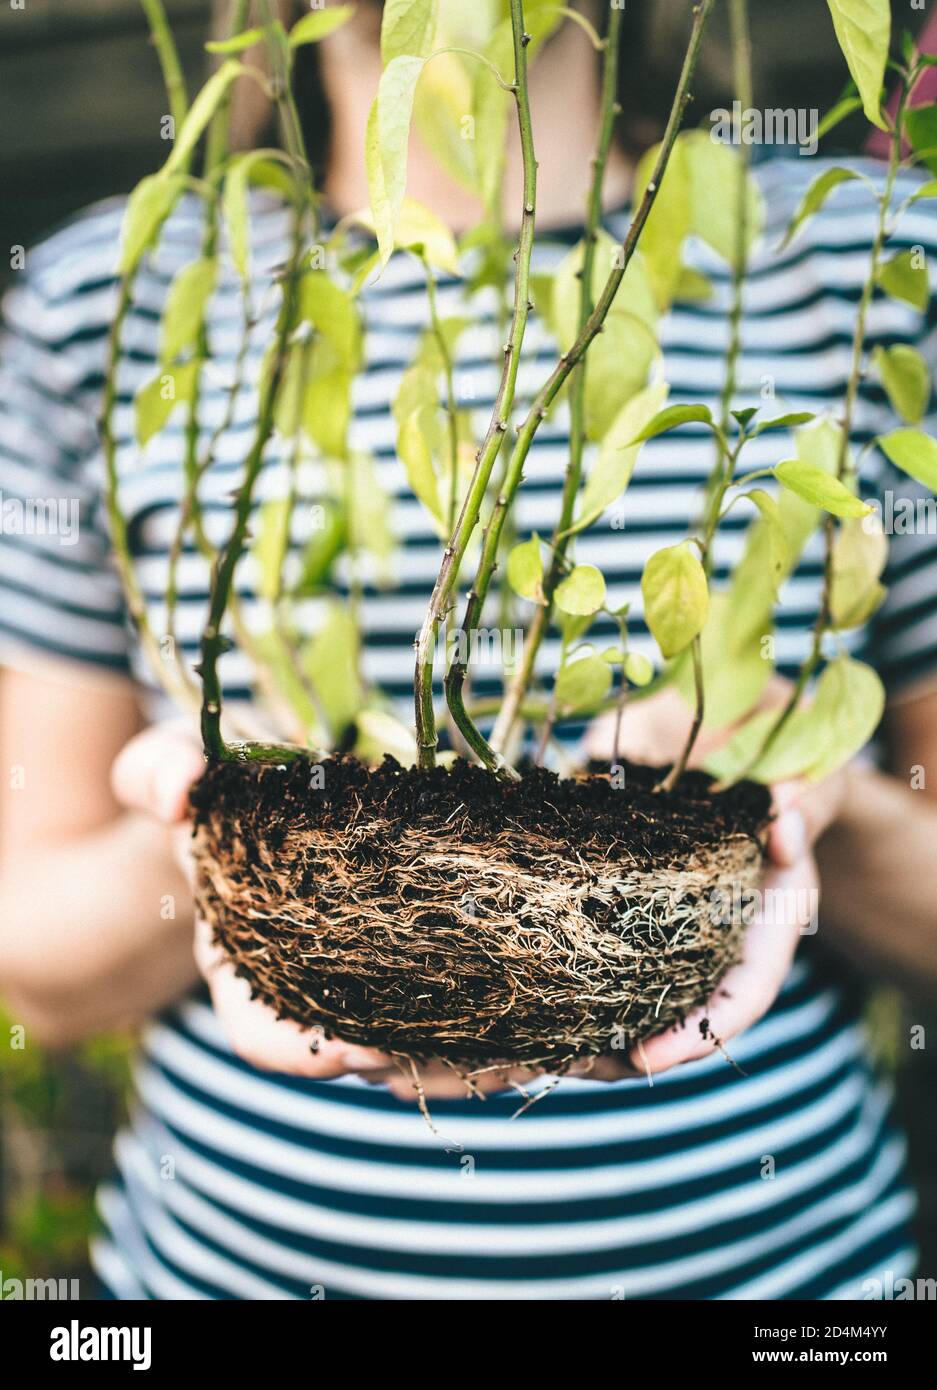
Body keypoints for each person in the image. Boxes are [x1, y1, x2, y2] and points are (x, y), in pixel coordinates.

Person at [1, 0, 936, 1300]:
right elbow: (28, 958)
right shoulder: (125, 292)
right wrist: (222, 834)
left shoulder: (865, 255)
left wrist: (806, 783)